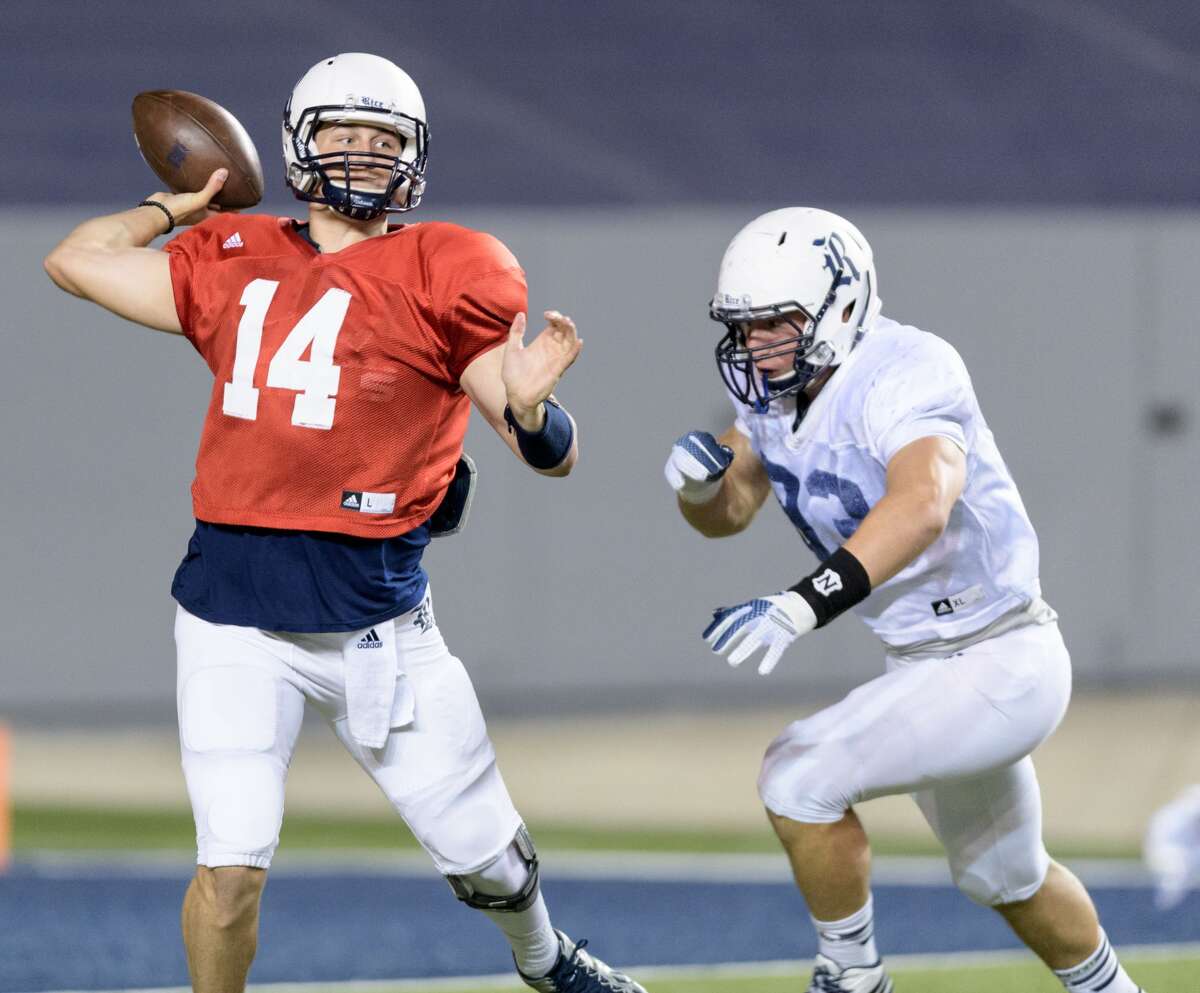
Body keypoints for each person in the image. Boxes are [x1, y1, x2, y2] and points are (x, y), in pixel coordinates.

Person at [44, 52, 646, 993]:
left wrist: (532, 412)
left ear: (413, 158)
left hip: (378, 628)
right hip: (232, 617)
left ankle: (545, 959)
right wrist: (184, 204)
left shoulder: (447, 264)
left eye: (383, 140)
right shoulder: (230, 257)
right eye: (342, 136)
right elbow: (75, 260)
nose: (363, 156)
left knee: (490, 862)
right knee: (231, 871)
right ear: (296, 145)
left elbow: (549, 450)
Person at [663, 207, 1146, 993]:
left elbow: (922, 501)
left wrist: (801, 604)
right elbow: (731, 511)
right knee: (1007, 877)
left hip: (997, 655)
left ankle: (852, 977)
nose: (757, 346)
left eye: (777, 323)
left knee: (797, 777)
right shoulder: (778, 392)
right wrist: (698, 488)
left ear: (843, 306)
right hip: (928, 664)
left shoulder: (908, 367)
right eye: (745, 328)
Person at [1144, 784, 1200, 910]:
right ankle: (1167, 910)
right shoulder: (1176, 815)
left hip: (1185, 854)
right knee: (1176, 873)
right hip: (1166, 854)